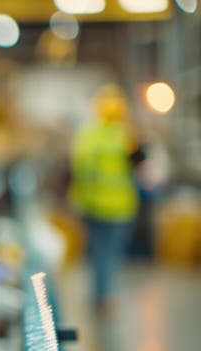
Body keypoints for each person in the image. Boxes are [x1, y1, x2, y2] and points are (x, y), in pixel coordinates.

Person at [69, 84, 145, 313]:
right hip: (120, 206)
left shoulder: (87, 134)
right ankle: (106, 294)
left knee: (98, 252)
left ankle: (99, 294)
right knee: (113, 253)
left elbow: (77, 168)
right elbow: (140, 165)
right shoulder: (126, 134)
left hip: (92, 205)